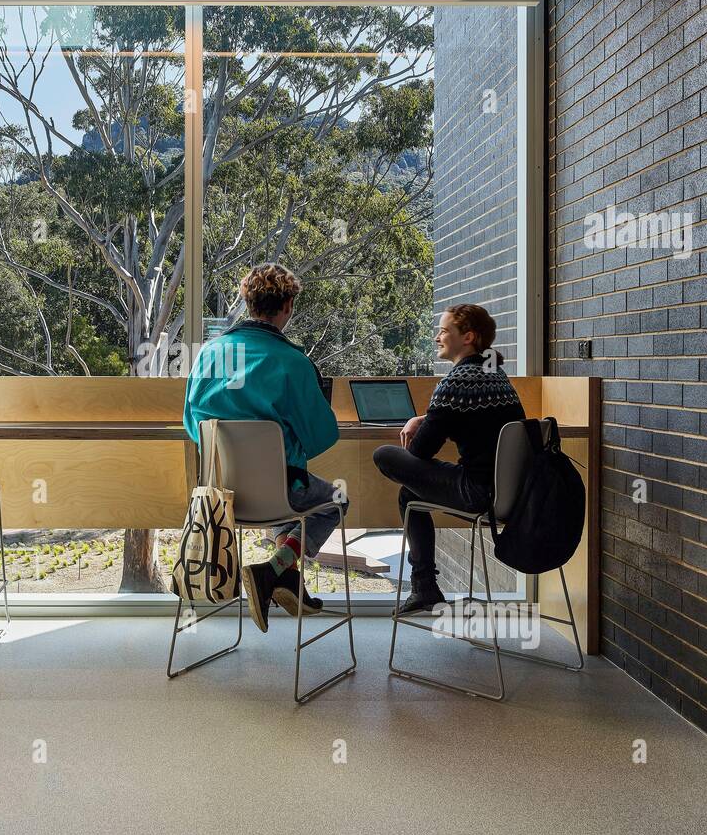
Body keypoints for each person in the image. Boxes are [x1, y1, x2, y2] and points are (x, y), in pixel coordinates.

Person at [183, 263, 345, 632]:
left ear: (246, 301)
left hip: (219, 497)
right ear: (287, 305)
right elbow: (323, 437)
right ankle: (272, 571)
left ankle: (286, 578)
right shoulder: (294, 363)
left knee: (292, 500)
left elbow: (194, 428)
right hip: (278, 494)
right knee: (334, 499)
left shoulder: (209, 354)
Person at [372, 304, 524, 615]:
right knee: (409, 494)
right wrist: (427, 417)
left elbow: (419, 454)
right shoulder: (495, 375)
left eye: (443, 331)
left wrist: (422, 423)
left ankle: (425, 586)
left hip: (478, 494)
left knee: (385, 455)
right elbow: (473, 416)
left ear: (468, 337)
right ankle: (424, 586)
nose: (436, 337)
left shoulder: (455, 384)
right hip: (512, 494)